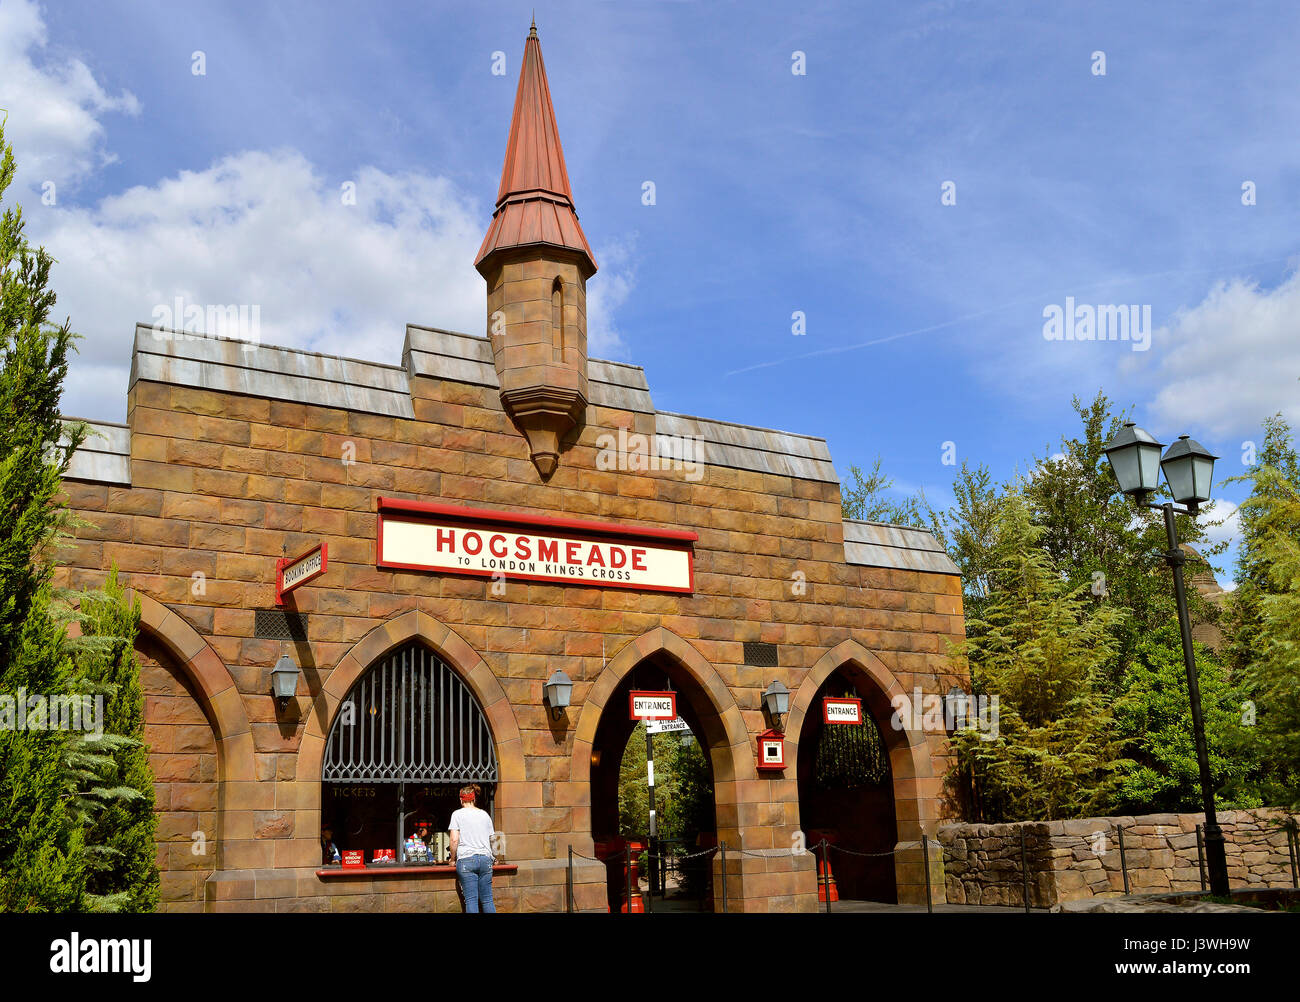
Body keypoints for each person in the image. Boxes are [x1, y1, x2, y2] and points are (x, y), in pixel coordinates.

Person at [448, 784, 496, 912]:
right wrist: (494, 857)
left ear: (461, 799)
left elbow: (454, 839)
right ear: (474, 799)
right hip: (486, 860)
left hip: (466, 860)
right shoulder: (485, 815)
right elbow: (493, 839)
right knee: (487, 899)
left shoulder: (457, 814)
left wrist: (452, 859)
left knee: (471, 900)